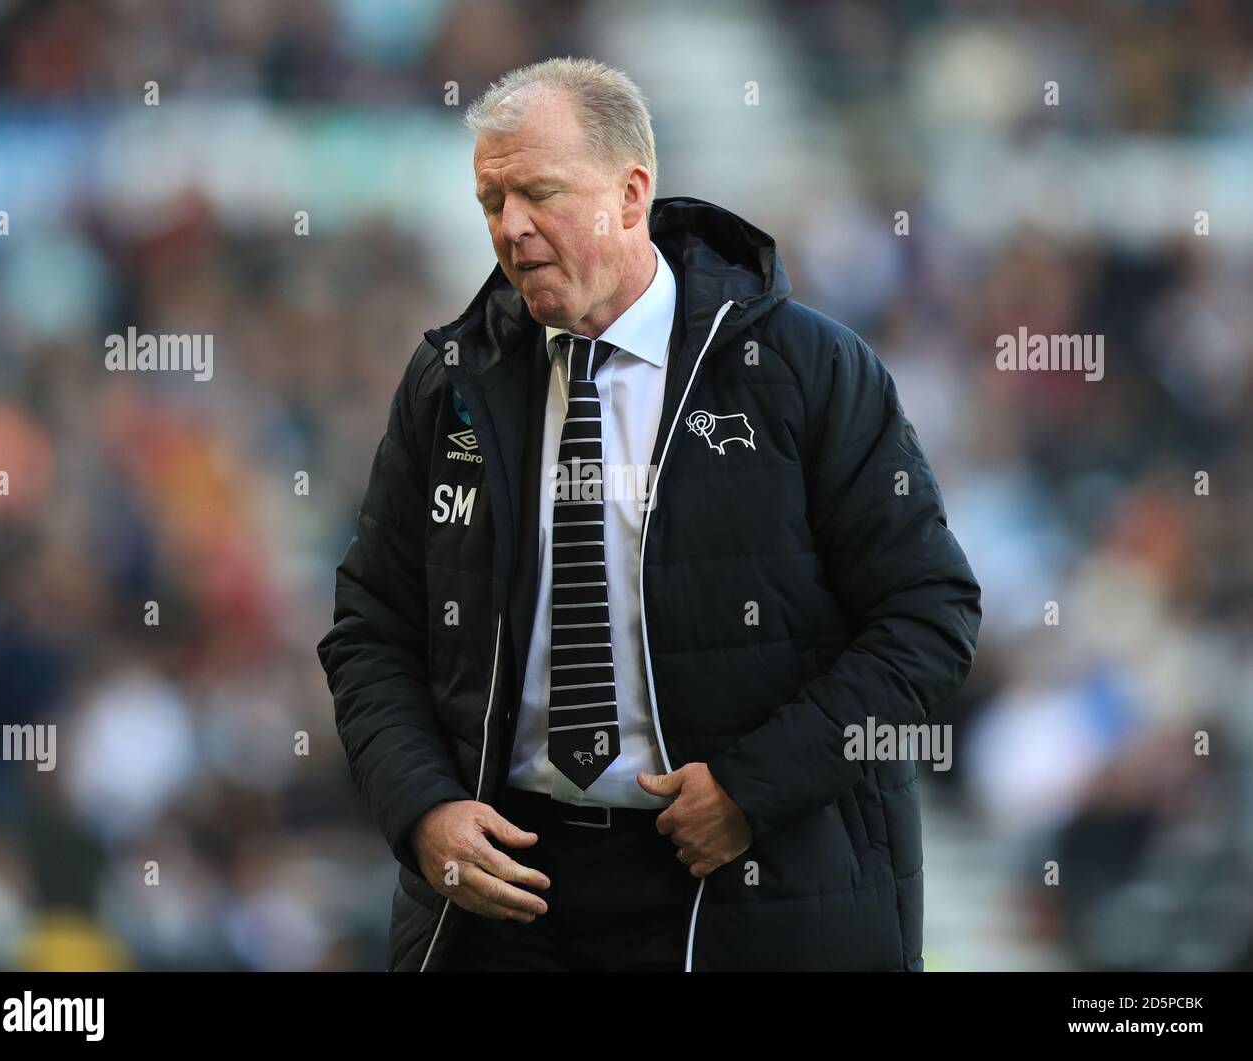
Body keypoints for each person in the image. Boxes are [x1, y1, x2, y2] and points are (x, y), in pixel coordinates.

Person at [316, 56, 982, 972]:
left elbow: (929, 618)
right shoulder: (449, 382)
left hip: (747, 884)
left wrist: (753, 788)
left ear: (631, 196)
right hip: (506, 894)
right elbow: (371, 630)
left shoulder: (807, 371)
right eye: (491, 201)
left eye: (539, 193)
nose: (511, 228)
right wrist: (422, 807)